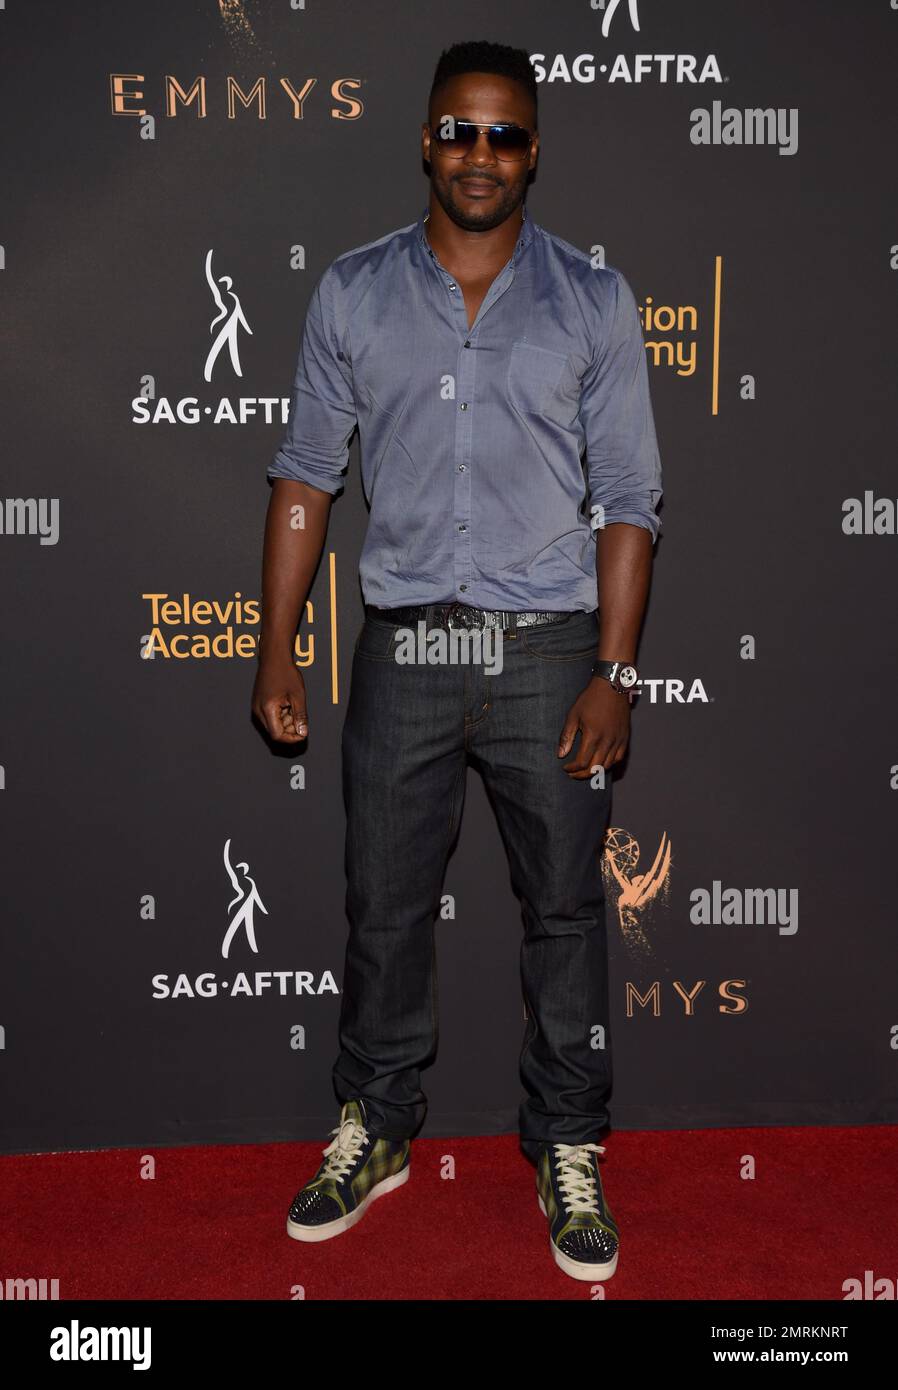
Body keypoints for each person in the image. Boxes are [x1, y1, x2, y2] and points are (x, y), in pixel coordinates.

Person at [251, 38, 662, 1283]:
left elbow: (631, 498)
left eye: (503, 134)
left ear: (533, 150)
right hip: (406, 650)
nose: (479, 153)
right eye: (458, 130)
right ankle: (374, 1125)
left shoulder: (592, 300)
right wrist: (276, 646)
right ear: (424, 140)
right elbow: (305, 479)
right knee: (381, 911)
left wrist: (615, 670)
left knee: (564, 915)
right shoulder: (353, 293)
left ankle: (569, 1143)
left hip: (548, 652)